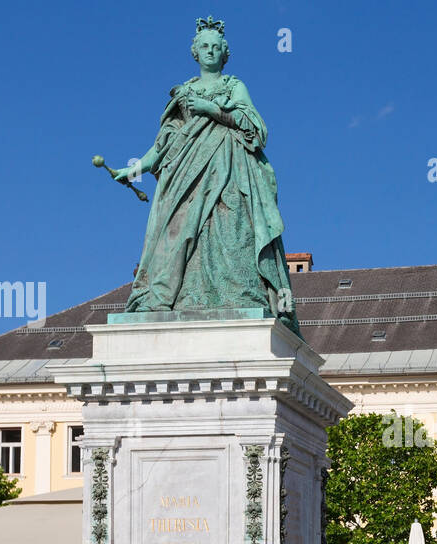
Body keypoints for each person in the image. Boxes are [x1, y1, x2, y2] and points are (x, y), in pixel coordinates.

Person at [115, 18, 299, 331]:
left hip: (227, 170)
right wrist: (134, 169)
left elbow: (255, 129)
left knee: (229, 233)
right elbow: (163, 144)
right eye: (205, 47)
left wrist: (209, 109)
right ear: (195, 53)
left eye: (216, 47)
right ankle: (181, 297)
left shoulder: (234, 86)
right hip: (185, 178)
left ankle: (239, 296)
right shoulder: (183, 93)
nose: (210, 51)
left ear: (225, 54)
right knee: (180, 236)